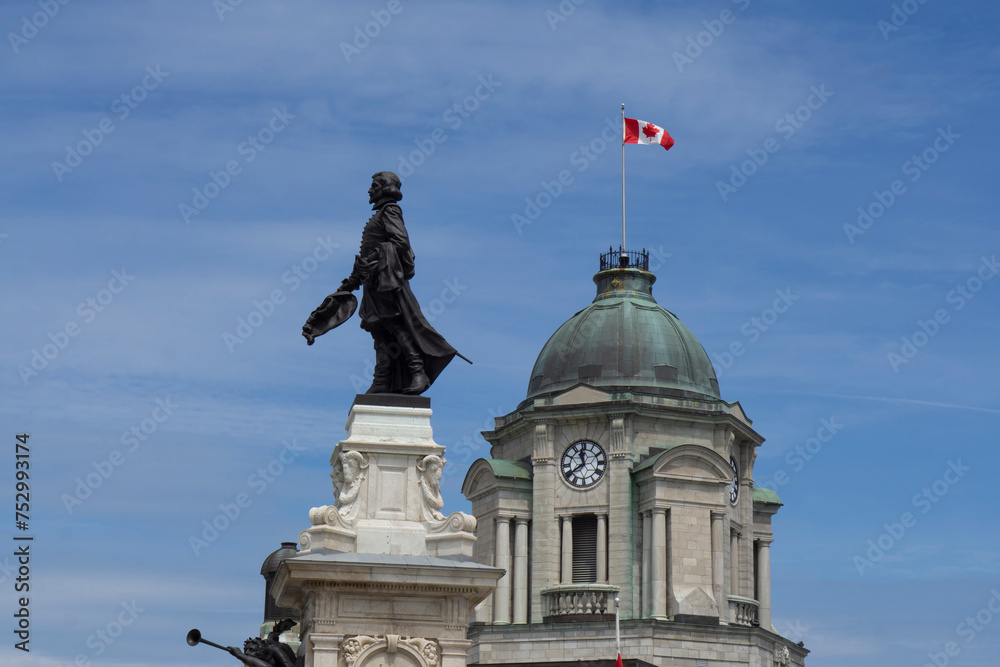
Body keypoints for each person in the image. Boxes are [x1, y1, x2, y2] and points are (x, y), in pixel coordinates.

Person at [303, 171, 465, 394]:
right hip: (373, 284)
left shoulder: (390, 210)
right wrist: (348, 285)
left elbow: (400, 242)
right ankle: (381, 380)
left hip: (385, 282)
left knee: (394, 326)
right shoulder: (379, 214)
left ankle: (418, 372)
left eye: (374, 186)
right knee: (380, 333)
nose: (370, 191)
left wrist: (374, 260)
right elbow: (366, 256)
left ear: (384, 188)